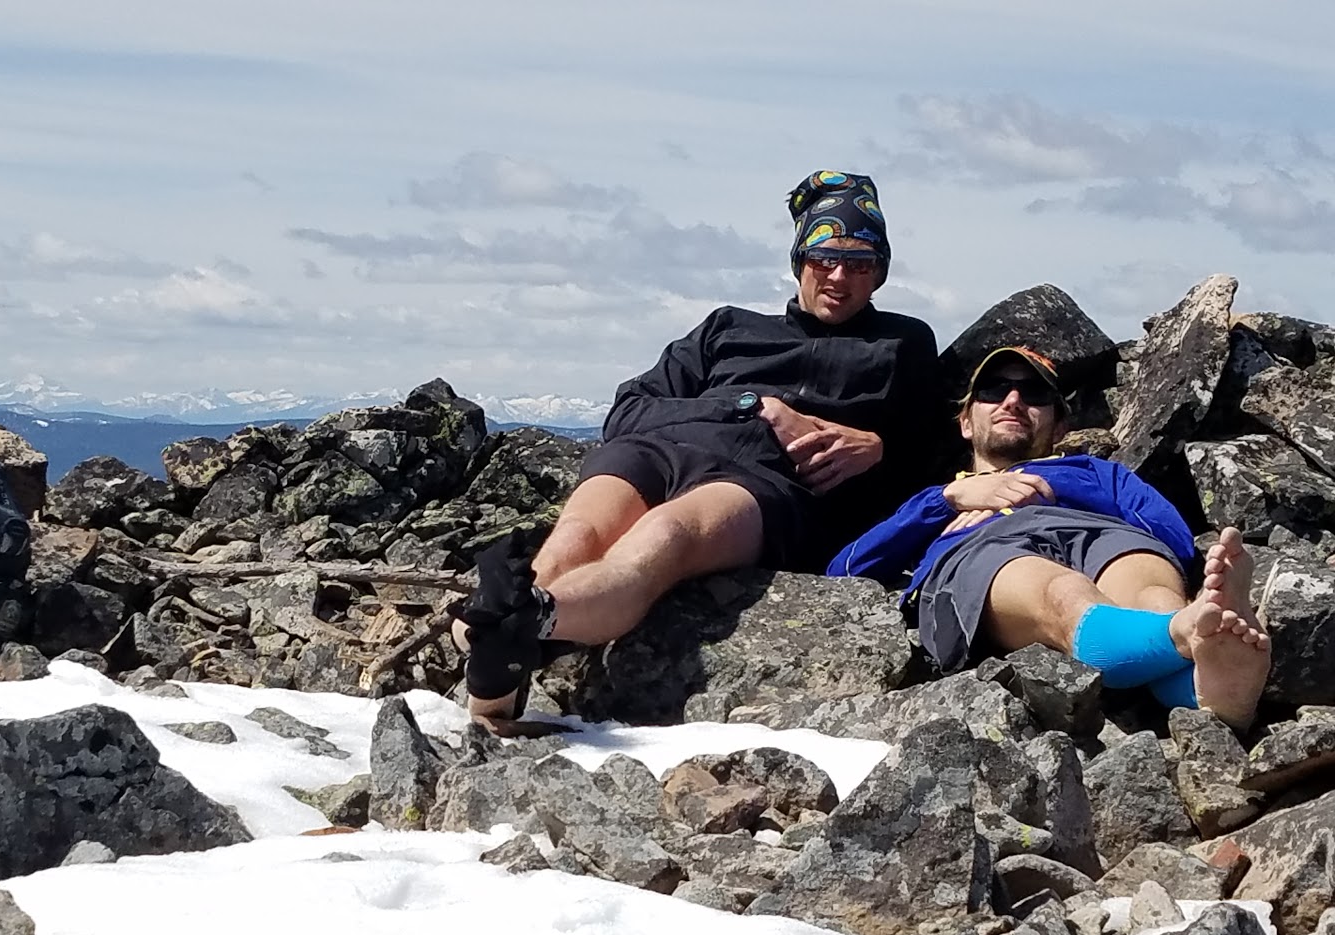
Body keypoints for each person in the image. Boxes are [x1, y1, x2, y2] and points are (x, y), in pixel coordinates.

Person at [453, 170, 947, 720]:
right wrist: (753, 406)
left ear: (879, 273)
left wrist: (879, 447)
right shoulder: (727, 327)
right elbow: (627, 410)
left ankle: (519, 623)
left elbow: (936, 454)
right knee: (575, 536)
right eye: (823, 258)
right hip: (656, 449)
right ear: (799, 261)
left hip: (765, 484)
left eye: (859, 264)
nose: (838, 276)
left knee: (665, 535)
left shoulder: (904, 343)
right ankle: (504, 648)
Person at [828, 346, 1271, 729]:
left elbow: (1172, 533)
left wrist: (1047, 486)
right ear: (965, 422)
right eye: (993, 390)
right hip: (984, 547)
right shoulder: (941, 500)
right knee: (1063, 592)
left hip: (1100, 532)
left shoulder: (1097, 474)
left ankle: (1211, 687)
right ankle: (1190, 647)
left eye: (1034, 394)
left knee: (1153, 594)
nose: (1013, 401)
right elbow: (845, 570)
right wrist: (949, 499)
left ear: (1059, 429)